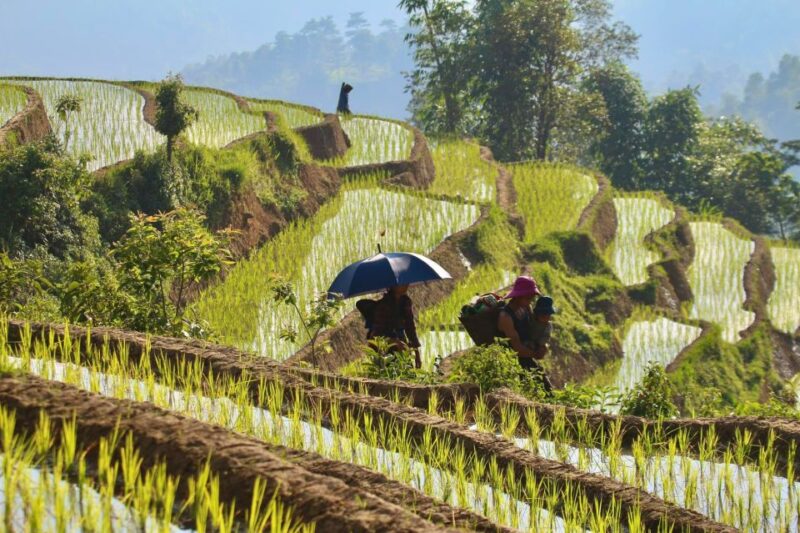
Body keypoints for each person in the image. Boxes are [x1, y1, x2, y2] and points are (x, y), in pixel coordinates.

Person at [496, 276, 554, 394]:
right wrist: (536, 354)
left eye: (532, 297)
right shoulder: (506, 317)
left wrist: (543, 346)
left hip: (527, 357)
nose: (531, 300)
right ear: (519, 296)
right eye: (529, 297)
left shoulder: (526, 308)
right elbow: (517, 348)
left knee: (548, 392)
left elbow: (536, 329)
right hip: (511, 363)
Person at [366, 284, 422, 368]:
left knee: (407, 372)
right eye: (402, 283)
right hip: (385, 350)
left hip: (401, 343)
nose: (407, 284)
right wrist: (394, 341)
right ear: (394, 286)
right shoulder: (383, 306)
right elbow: (376, 335)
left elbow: (410, 328)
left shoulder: (405, 302)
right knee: (389, 374)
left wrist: (417, 354)